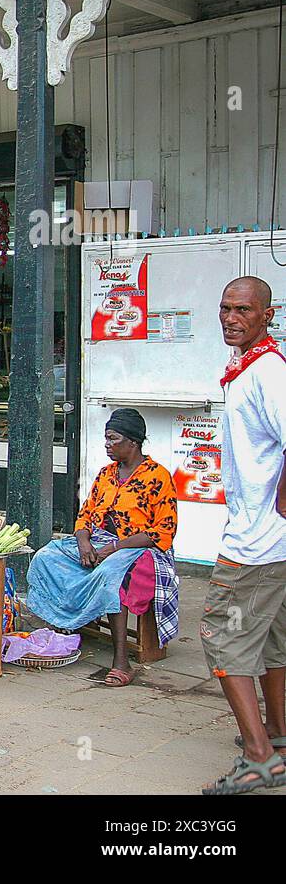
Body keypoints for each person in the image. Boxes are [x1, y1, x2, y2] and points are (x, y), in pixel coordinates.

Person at [200, 276, 286, 795]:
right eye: (225, 308)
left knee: (220, 637)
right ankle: (276, 737)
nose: (231, 318)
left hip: (255, 543)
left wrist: (281, 501)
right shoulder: (249, 367)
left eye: (243, 310)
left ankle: (259, 758)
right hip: (271, 540)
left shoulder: (268, 373)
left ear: (266, 315)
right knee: (274, 642)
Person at [26, 408, 179, 687]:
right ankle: (64, 622)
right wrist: (84, 542)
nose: (107, 444)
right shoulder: (106, 474)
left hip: (140, 547)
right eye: (106, 439)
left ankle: (122, 661)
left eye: (113, 439)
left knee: (110, 576)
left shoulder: (158, 477)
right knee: (45, 556)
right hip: (98, 541)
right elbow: (85, 514)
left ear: (133, 442)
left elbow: (162, 531)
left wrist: (116, 547)